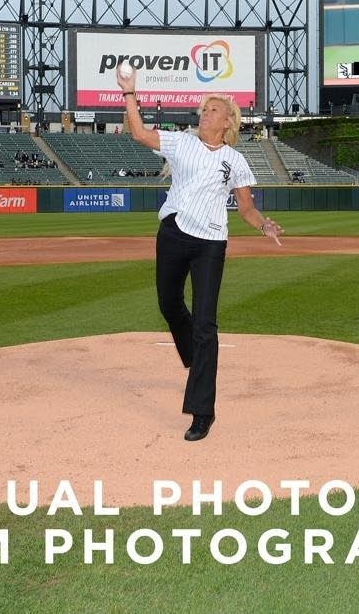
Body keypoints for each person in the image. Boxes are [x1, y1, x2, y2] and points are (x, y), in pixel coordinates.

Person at [117, 66, 283, 442]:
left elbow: (245, 208)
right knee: (168, 303)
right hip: (173, 233)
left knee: (206, 323)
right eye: (204, 109)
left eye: (212, 110)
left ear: (227, 122)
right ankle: (194, 355)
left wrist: (263, 225)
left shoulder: (235, 161)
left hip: (210, 243)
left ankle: (201, 412)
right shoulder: (181, 143)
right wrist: (130, 94)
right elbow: (140, 133)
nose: (205, 113)